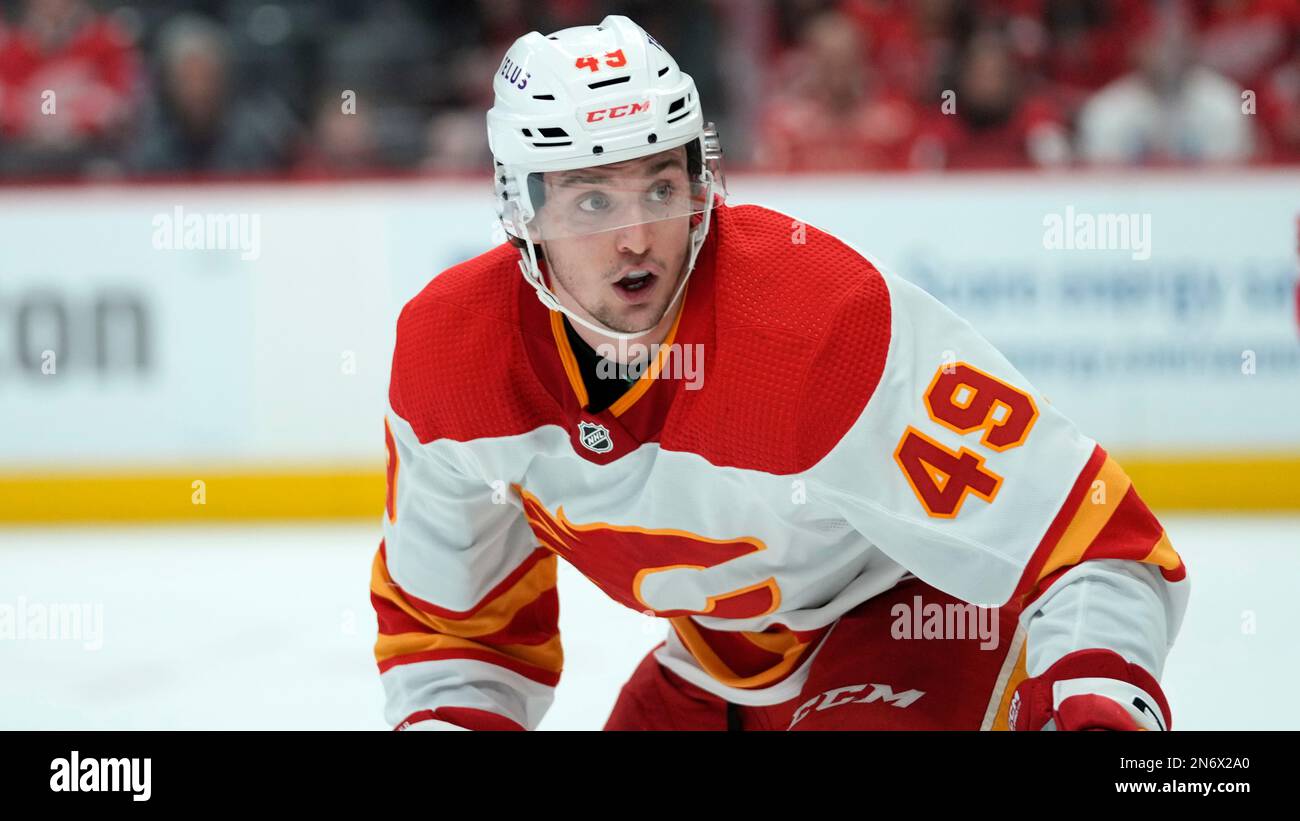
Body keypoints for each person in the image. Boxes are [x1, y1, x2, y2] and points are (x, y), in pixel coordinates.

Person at [370, 15, 1188, 731]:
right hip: (716, 669)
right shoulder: (453, 359)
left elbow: (1093, 544)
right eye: (593, 201)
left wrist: (1099, 687)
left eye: (661, 186)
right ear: (522, 210)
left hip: (919, 627)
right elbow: (454, 634)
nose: (636, 239)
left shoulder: (816, 324)